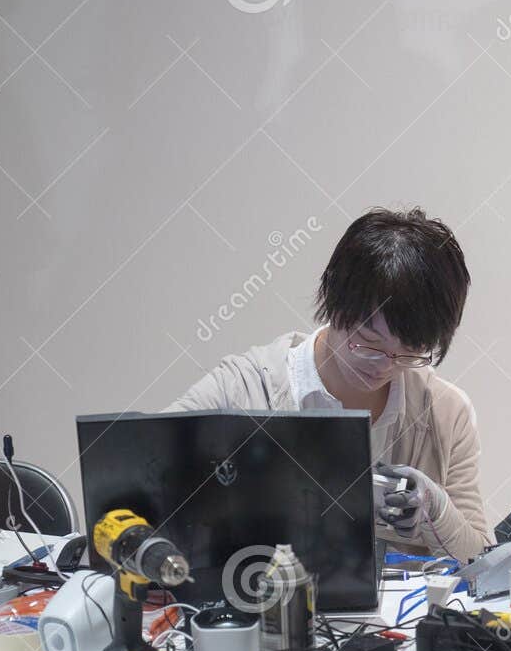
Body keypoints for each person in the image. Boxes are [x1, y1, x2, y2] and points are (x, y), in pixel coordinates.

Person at [166, 207, 492, 561]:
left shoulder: (444, 412)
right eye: (368, 343)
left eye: (409, 353)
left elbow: (479, 558)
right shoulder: (245, 387)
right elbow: (146, 474)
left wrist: (433, 507)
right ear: (333, 305)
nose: (385, 366)